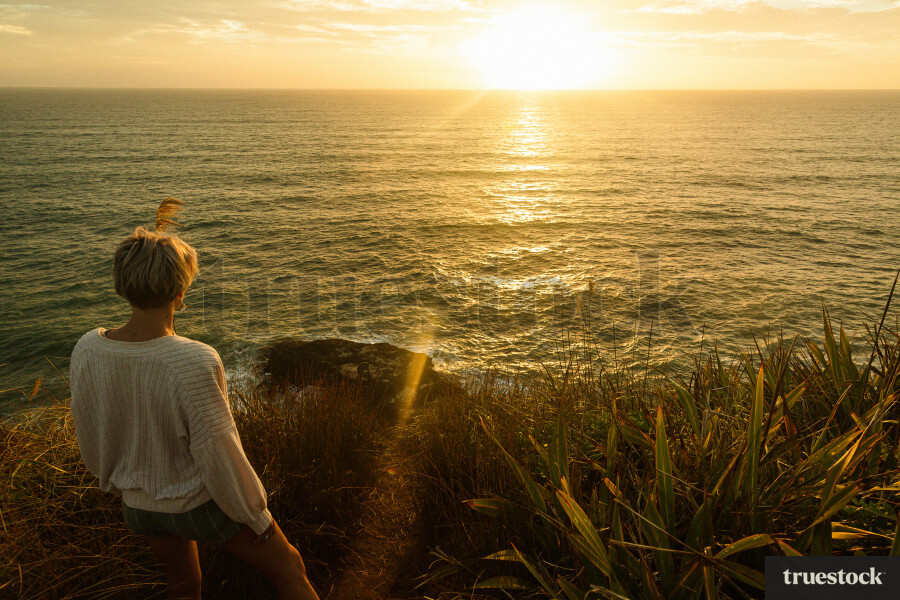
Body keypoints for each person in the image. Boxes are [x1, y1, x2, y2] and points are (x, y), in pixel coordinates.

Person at [69, 199, 320, 600]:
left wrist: (124, 488)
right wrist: (257, 518)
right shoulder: (192, 359)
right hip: (197, 505)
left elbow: (90, 429)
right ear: (180, 292)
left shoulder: (87, 347)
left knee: (184, 587)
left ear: (123, 284)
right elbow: (219, 452)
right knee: (290, 568)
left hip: (139, 507)